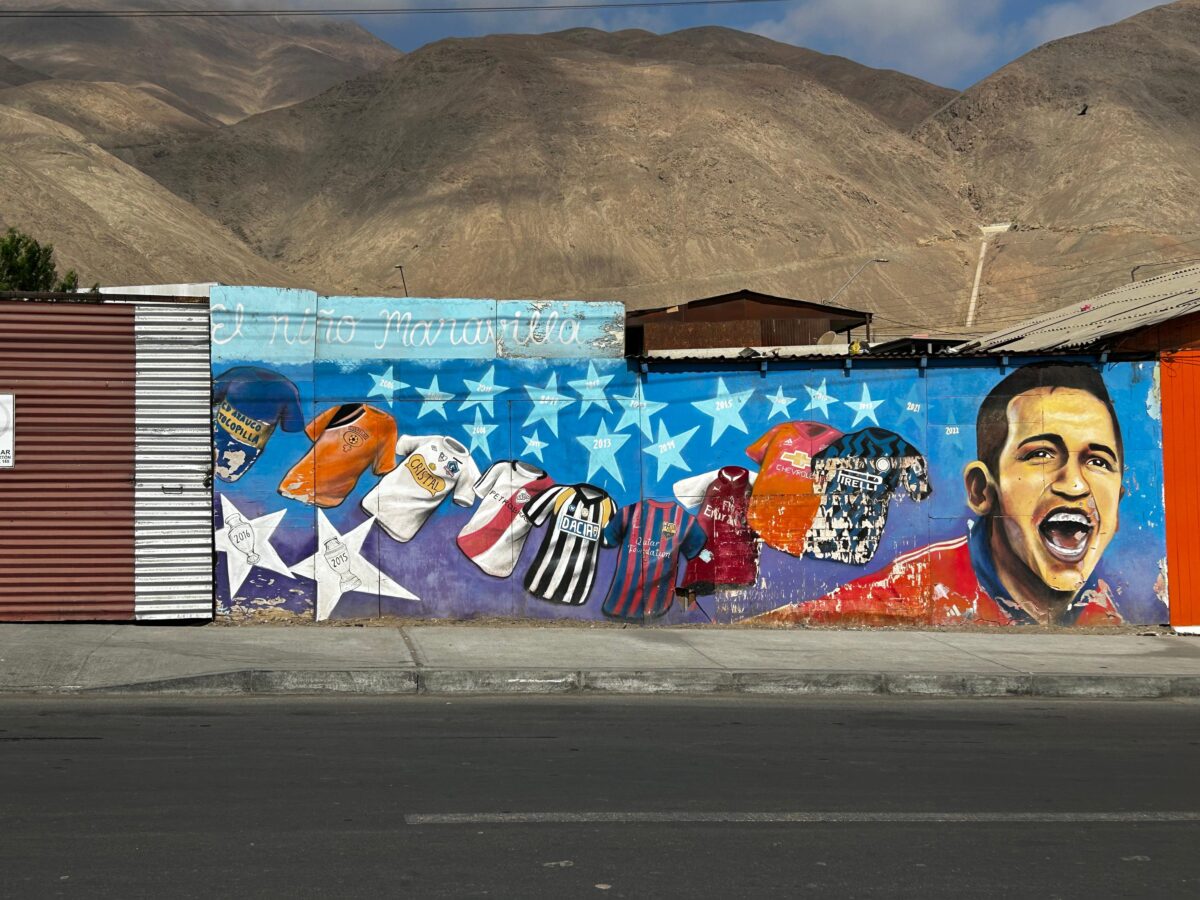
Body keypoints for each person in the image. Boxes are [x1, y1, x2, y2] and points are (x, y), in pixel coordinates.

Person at [755, 363, 1125, 626]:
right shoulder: (906, 592)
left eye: (1099, 461)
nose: (1075, 485)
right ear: (982, 490)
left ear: (1120, 496)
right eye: (1040, 455)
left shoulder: (1104, 607)